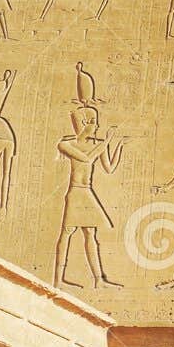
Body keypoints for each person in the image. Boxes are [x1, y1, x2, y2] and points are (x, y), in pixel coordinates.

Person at [54, 105, 125, 288]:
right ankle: (58, 280)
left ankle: (99, 280)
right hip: (76, 192)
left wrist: (119, 147)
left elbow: (109, 168)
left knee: (91, 234)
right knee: (67, 233)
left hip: (86, 191)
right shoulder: (67, 144)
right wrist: (106, 142)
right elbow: (87, 159)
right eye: (94, 122)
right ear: (83, 122)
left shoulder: (96, 145)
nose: (97, 126)